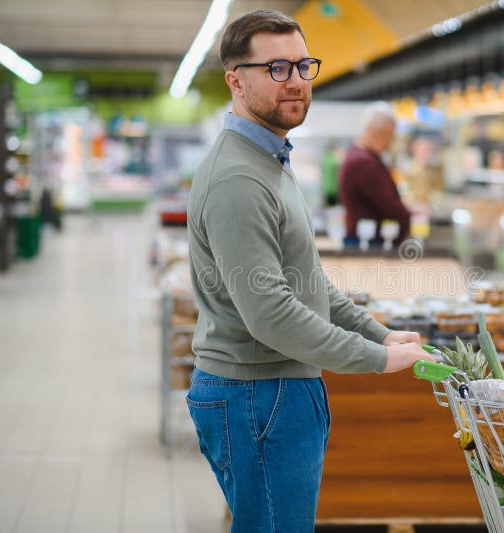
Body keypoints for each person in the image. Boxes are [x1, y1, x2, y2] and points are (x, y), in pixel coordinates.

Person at [185, 10, 433, 533]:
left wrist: (380, 333)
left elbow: (309, 284)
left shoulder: (271, 160)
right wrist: (373, 359)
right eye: (277, 68)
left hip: (276, 391)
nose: (296, 81)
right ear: (236, 79)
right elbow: (271, 313)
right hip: (259, 396)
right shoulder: (238, 178)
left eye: (303, 65)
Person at [339, 103, 411, 245]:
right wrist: (409, 216)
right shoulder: (363, 162)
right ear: (372, 131)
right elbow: (388, 205)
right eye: (388, 135)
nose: (390, 143)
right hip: (368, 243)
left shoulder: (360, 156)